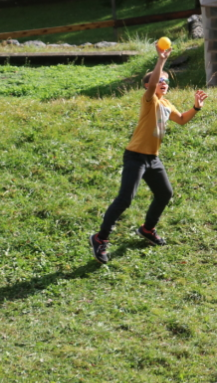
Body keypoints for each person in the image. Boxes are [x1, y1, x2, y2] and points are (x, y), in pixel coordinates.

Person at [89, 43, 208, 264]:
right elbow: (153, 83)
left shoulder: (166, 104)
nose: (164, 83)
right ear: (149, 85)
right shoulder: (149, 99)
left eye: (167, 81)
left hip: (152, 158)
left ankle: (147, 229)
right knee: (125, 199)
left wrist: (196, 107)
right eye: (160, 81)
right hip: (135, 156)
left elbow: (181, 120)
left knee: (165, 193)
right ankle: (100, 238)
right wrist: (161, 61)